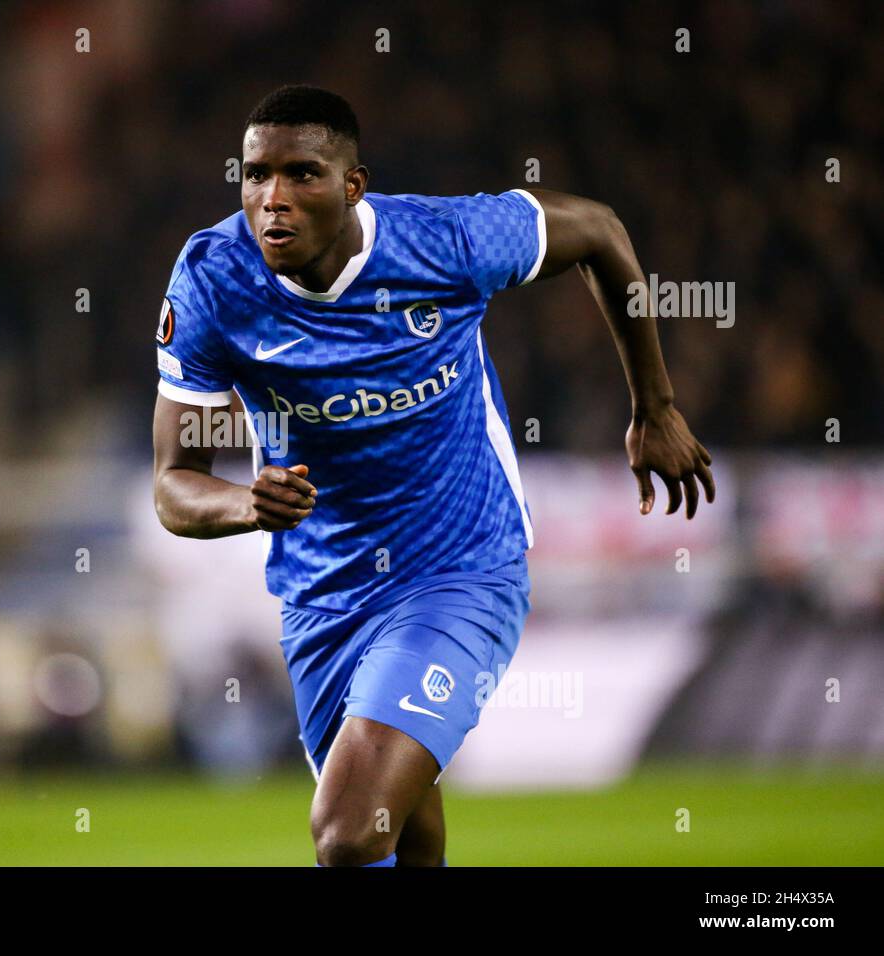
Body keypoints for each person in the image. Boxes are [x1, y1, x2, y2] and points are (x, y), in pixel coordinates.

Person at [150, 84, 715, 866]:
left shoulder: (444, 242)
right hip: (323, 599)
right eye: (255, 175)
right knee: (402, 838)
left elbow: (599, 231)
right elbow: (175, 482)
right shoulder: (213, 281)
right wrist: (247, 505)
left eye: (302, 174)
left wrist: (655, 407)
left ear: (352, 186)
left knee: (347, 832)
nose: (272, 198)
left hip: (460, 570)